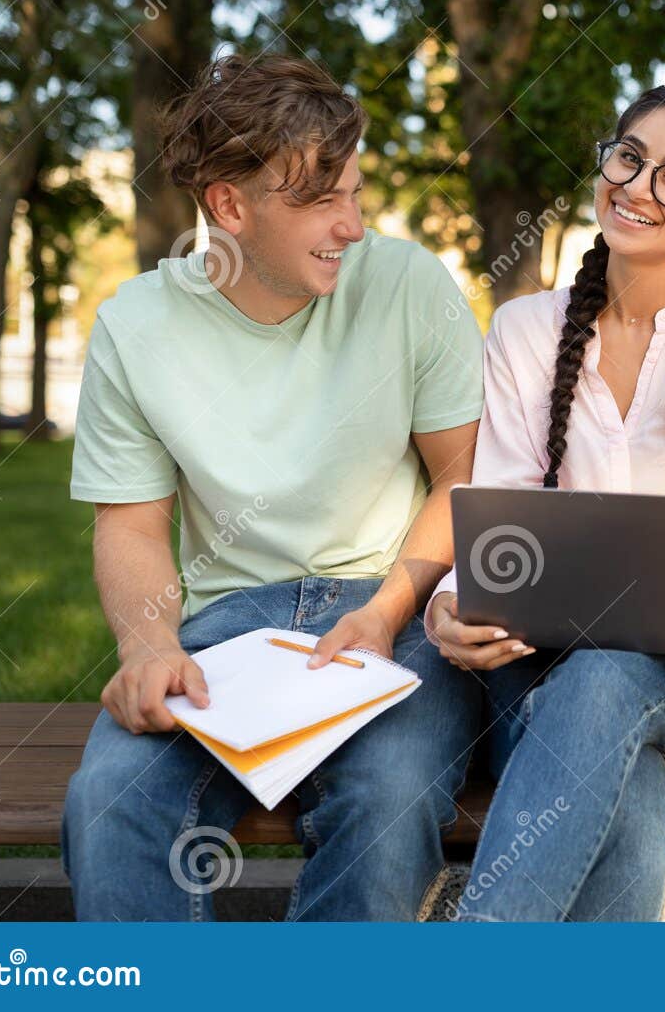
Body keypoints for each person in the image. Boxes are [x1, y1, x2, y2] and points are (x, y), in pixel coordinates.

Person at [62, 53, 485, 921]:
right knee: (111, 801)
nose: (352, 225)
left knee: (389, 800)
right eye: (321, 201)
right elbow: (133, 527)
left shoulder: (408, 286)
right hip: (226, 627)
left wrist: (386, 613)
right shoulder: (135, 325)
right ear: (229, 204)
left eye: (357, 193)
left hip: (392, 610)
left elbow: (459, 483)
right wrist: (146, 646)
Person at [425, 84, 665, 921]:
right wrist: (453, 602)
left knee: (601, 682)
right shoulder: (526, 328)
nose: (636, 186)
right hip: (530, 665)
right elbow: (501, 503)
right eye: (628, 157)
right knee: (630, 813)